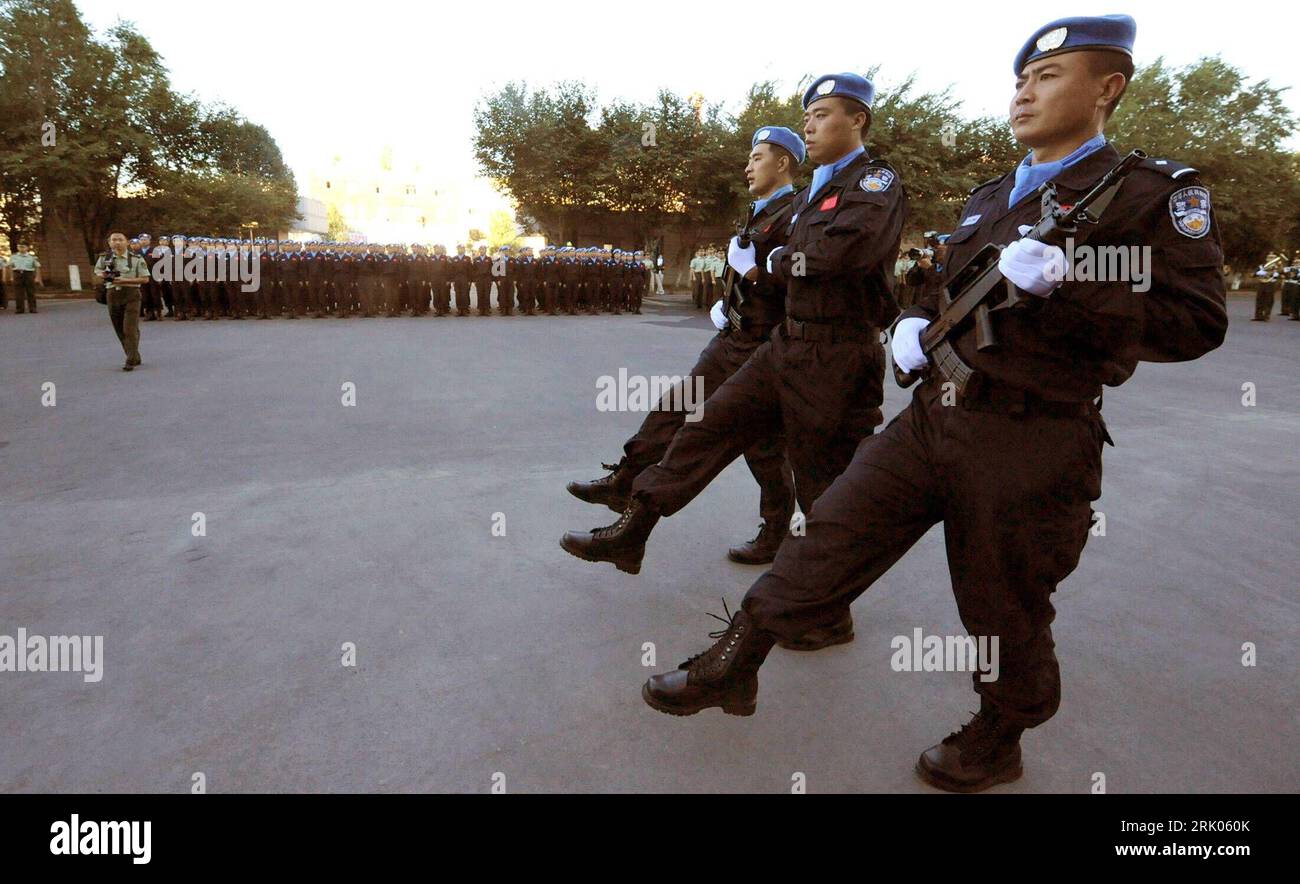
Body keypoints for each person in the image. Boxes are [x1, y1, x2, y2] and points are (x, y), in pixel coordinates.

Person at [640, 14, 1229, 793]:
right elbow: (934, 281)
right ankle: (736, 661)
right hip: (934, 416)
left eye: (1047, 77)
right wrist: (915, 320)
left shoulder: (1152, 193)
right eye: (1020, 79)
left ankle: (1000, 731)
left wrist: (1077, 285)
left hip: (1032, 437)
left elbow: (1198, 321)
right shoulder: (994, 195)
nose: (1024, 91)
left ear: (1107, 89)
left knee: (1001, 605)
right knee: (829, 531)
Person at [561, 73, 905, 643]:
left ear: (858, 121)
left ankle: (827, 611)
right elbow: (810, 252)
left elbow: (842, 252)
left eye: (821, 115)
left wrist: (763, 268)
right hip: (786, 342)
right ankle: (633, 530)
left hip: (837, 354)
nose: (811, 125)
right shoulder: (821, 189)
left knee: (822, 486)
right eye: (808, 117)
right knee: (704, 425)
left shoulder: (874, 180)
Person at [566, 127, 806, 565]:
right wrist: (728, 299)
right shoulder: (759, 210)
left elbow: (795, 283)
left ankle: (771, 533)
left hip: (763, 346)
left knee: (756, 447)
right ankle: (625, 481)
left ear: (783, 162)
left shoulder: (797, 212)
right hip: (733, 334)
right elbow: (746, 270)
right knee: (675, 407)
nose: (748, 166)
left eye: (757, 157)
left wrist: (753, 278)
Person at [94, 232, 151, 371]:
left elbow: (145, 278)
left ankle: (130, 360)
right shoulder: (104, 258)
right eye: (114, 240)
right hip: (113, 294)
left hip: (131, 294)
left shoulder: (136, 259)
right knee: (119, 328)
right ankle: (134, 355)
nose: (117, 242)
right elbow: (98, 271)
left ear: (127, 243)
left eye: (120, 240)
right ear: (109, 242)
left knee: (129, 329)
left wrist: (125, 280)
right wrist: (106, 276)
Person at [9, 243, 41, 314]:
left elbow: (37, 267)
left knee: (31, 292)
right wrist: (11, 277)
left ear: (27, 248)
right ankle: (19, 309)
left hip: (28, 274)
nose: (21, 248)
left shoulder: (32, 257)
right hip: (17, 274)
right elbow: (11, 267)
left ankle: (32, 308)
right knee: (18, 293)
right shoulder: (13, 257)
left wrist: (37, 277)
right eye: (19, 247)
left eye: (23, 247)